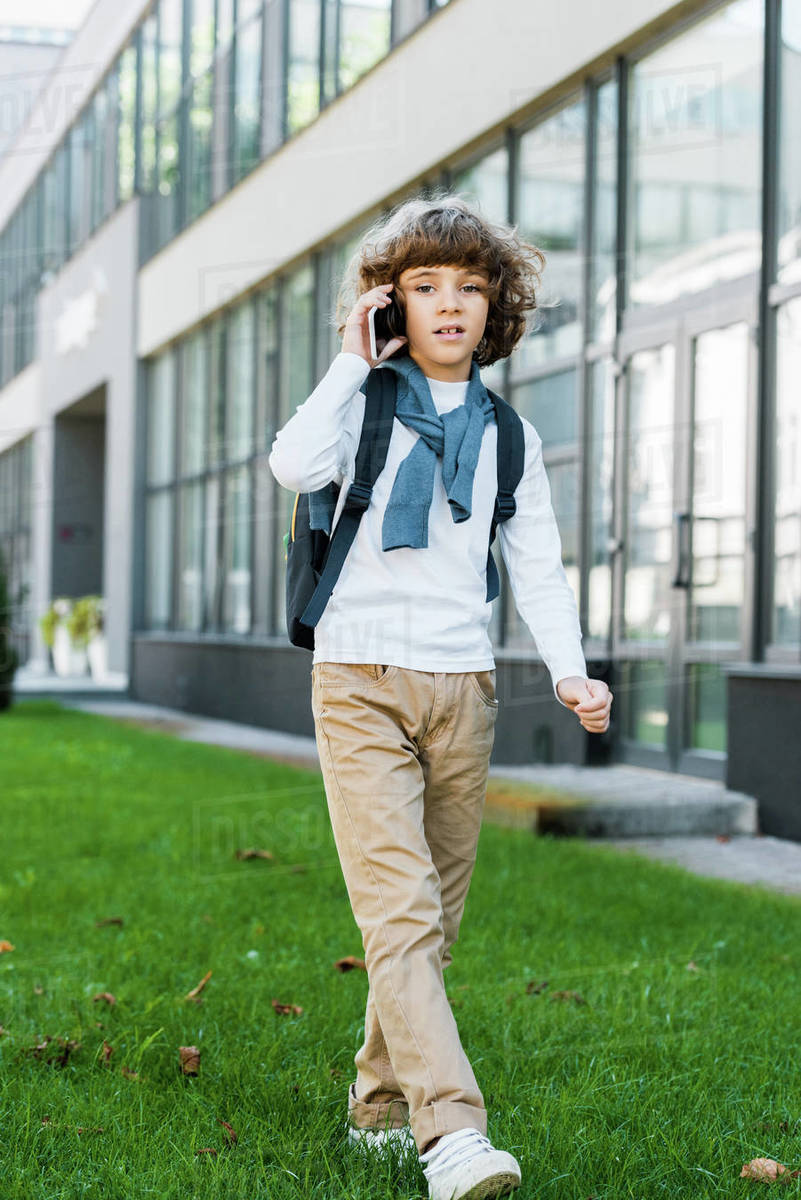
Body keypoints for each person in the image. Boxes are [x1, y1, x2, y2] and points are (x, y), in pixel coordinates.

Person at [268, 194, 613, 1200]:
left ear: (496, 308)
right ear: (392, 304)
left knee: (433, 925)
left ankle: (376, 1105)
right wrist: (350, 358)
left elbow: (537, 568)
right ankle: (450, 1132)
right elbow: (291, 463)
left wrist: (568, 669)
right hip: (360, 678)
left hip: (466, 689)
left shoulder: (512, 438)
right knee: (401, 912)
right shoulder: (361, 407)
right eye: (425, 289)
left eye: (470, 289)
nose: (450, 307)